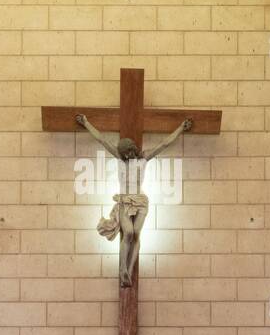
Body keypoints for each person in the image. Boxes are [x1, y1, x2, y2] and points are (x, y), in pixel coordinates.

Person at [75, 113, 193, 286]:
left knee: (136, 234)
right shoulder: (119, 159)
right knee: (128, 232)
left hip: (141, 201)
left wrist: (181, 128)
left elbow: (164, 144)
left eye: (130, 151)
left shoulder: (144, 158)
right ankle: (122, 267)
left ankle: (128, 272)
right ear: (122, 153)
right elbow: (102, 140)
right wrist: (86, 123)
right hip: (125, 200)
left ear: (134, 148)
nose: (129, 154)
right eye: (126, 153)